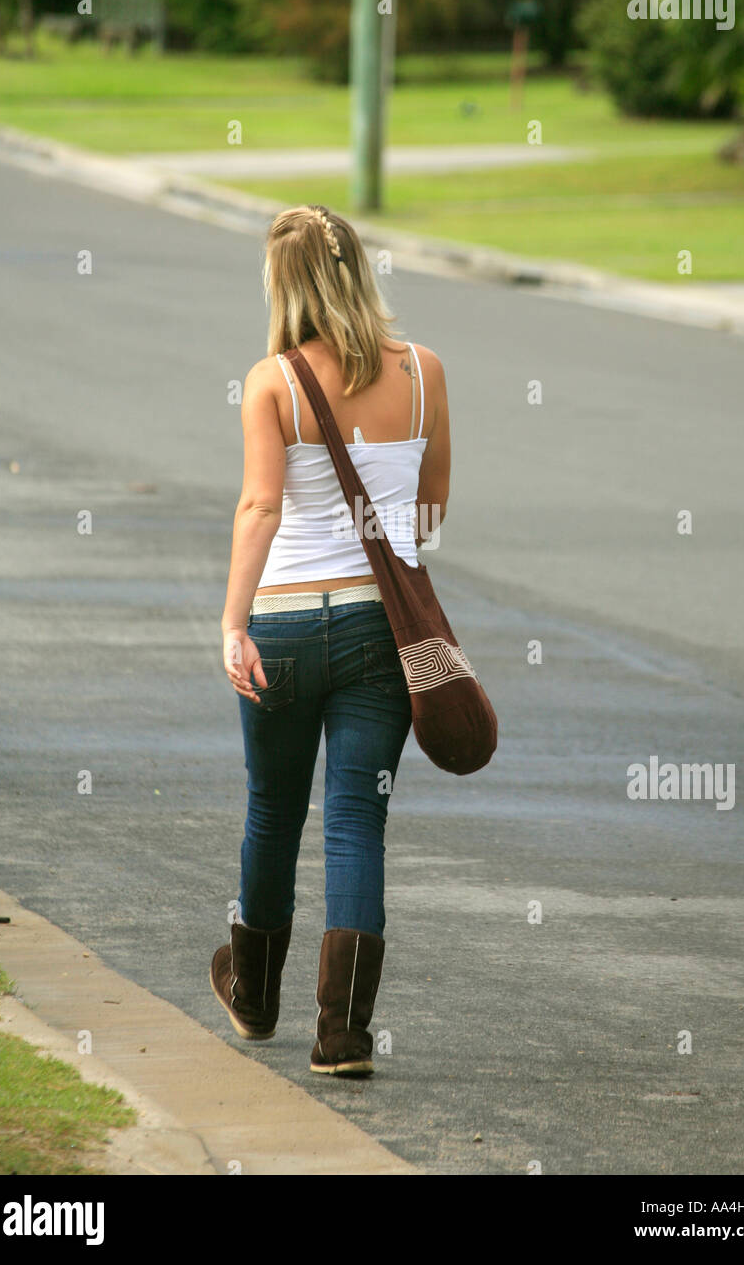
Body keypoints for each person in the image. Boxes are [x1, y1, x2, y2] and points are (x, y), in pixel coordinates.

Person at [210, 204, 450, 1077]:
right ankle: (343, 1033)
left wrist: (235, 623)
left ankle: (255, 995)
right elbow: (428, 510)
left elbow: (261, 509)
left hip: (281, 625)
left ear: (286, 284)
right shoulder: (423, 373)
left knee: (273, 808)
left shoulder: (271, 381)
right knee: (357, 819)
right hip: (379, 632)